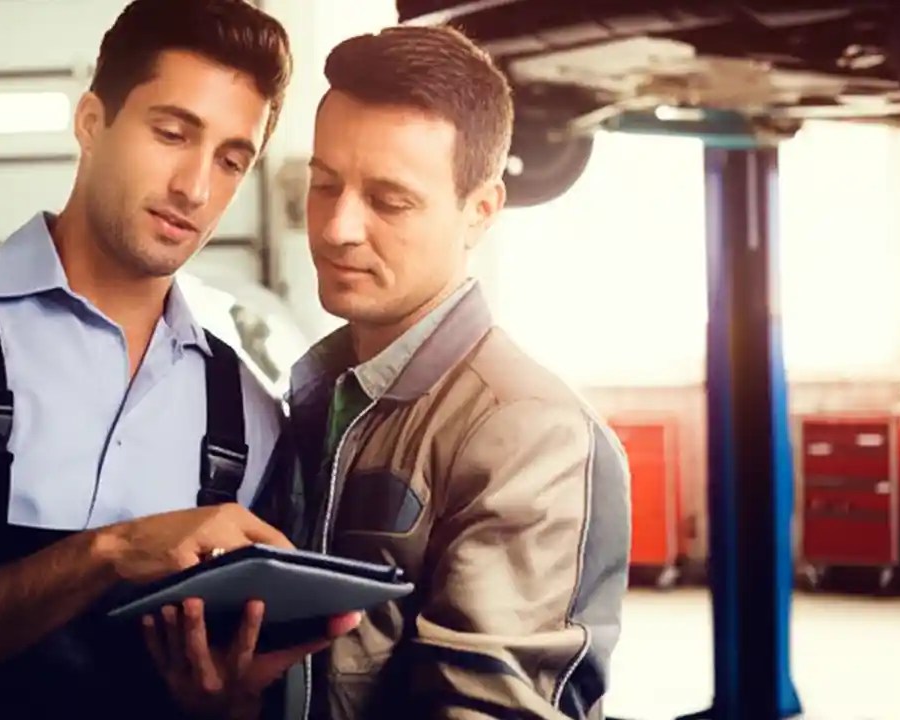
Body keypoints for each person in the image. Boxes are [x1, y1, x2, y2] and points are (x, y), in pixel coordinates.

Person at [0, 2, 357, 718]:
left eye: (230, 159)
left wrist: (228, 703)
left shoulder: (245, 415)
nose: (196, 188)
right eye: (172, 133)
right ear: (92, 122)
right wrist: (111, 552)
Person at [253, 25, 632, 720]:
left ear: (480, 211)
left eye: (389, 201)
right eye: (325, 184)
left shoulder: (526, 434)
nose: (337, 228)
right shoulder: (319, 393)